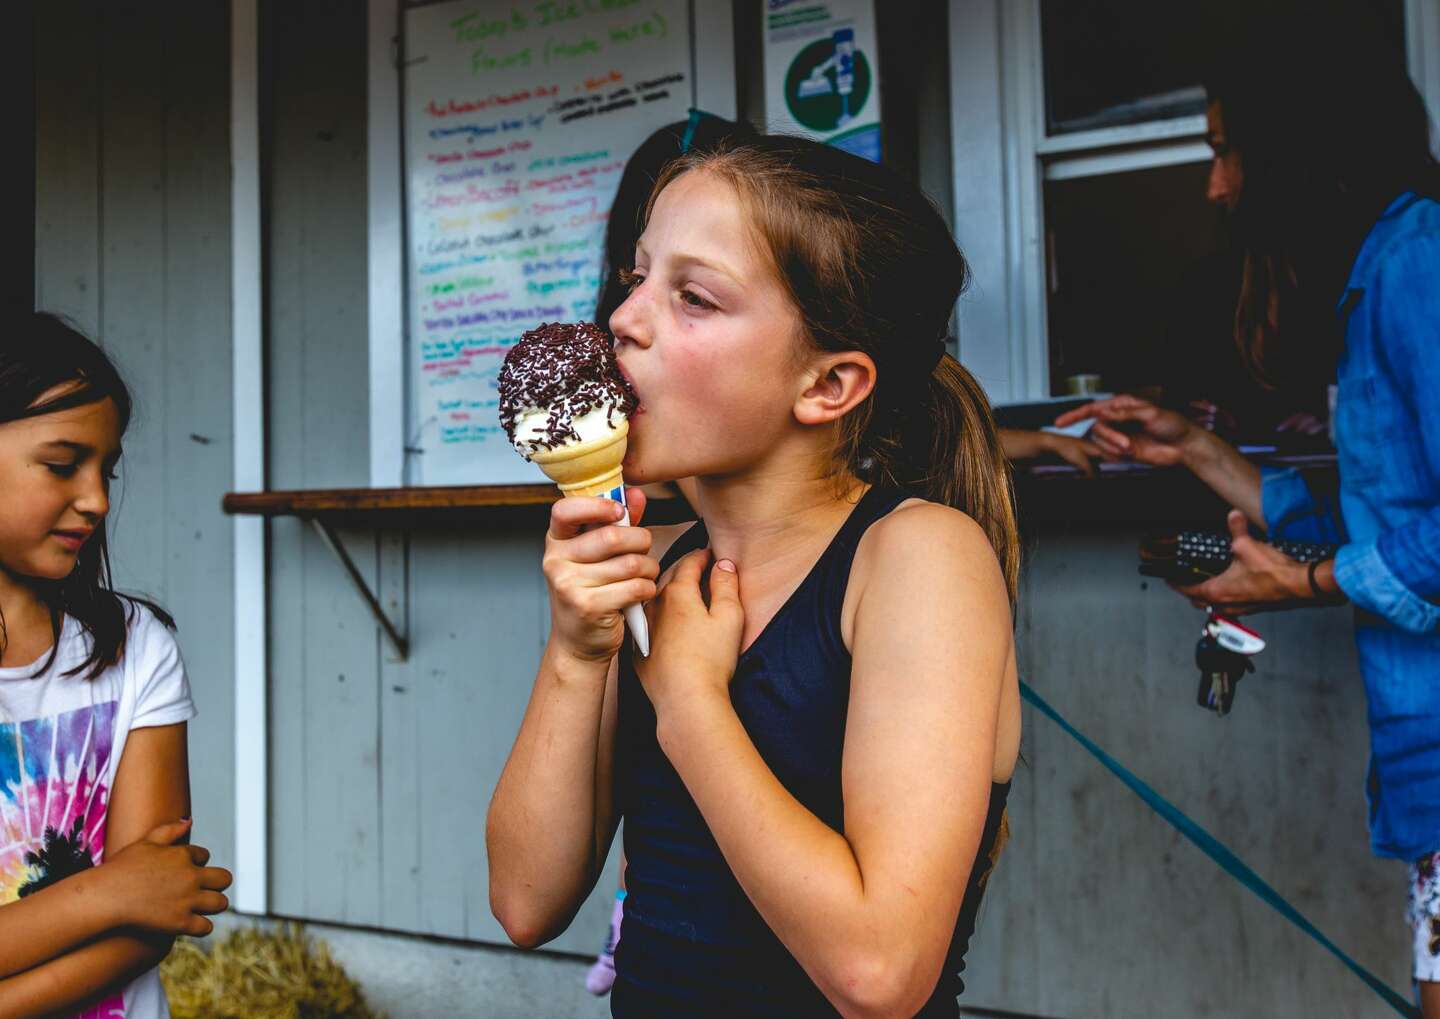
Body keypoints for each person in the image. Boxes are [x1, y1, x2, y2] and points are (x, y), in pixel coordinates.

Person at [488, 135, 1021, 1016]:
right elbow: (523, 901)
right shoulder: (652, 567)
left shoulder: (919, 559)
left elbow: (878, 975)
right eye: (637, 275)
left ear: (829, 383)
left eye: (693, 296)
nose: (624, 318)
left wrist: (693, 702)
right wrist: (577, 653)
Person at [1057, 10, 1440, 1013]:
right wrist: (1195, 449)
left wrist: (1297, 580)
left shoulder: (1417, 265)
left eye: (1225, 151)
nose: (1215, 185)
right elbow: (1381, 509)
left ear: (1298, 148)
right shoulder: (1378, 274)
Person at [0, 315, 232, 1017]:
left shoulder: (138, 647)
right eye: (64, 463)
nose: (98, 498)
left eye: (107, 469)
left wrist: (135, 896)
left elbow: (155, 913)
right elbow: (132, 893)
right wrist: (105, 889)